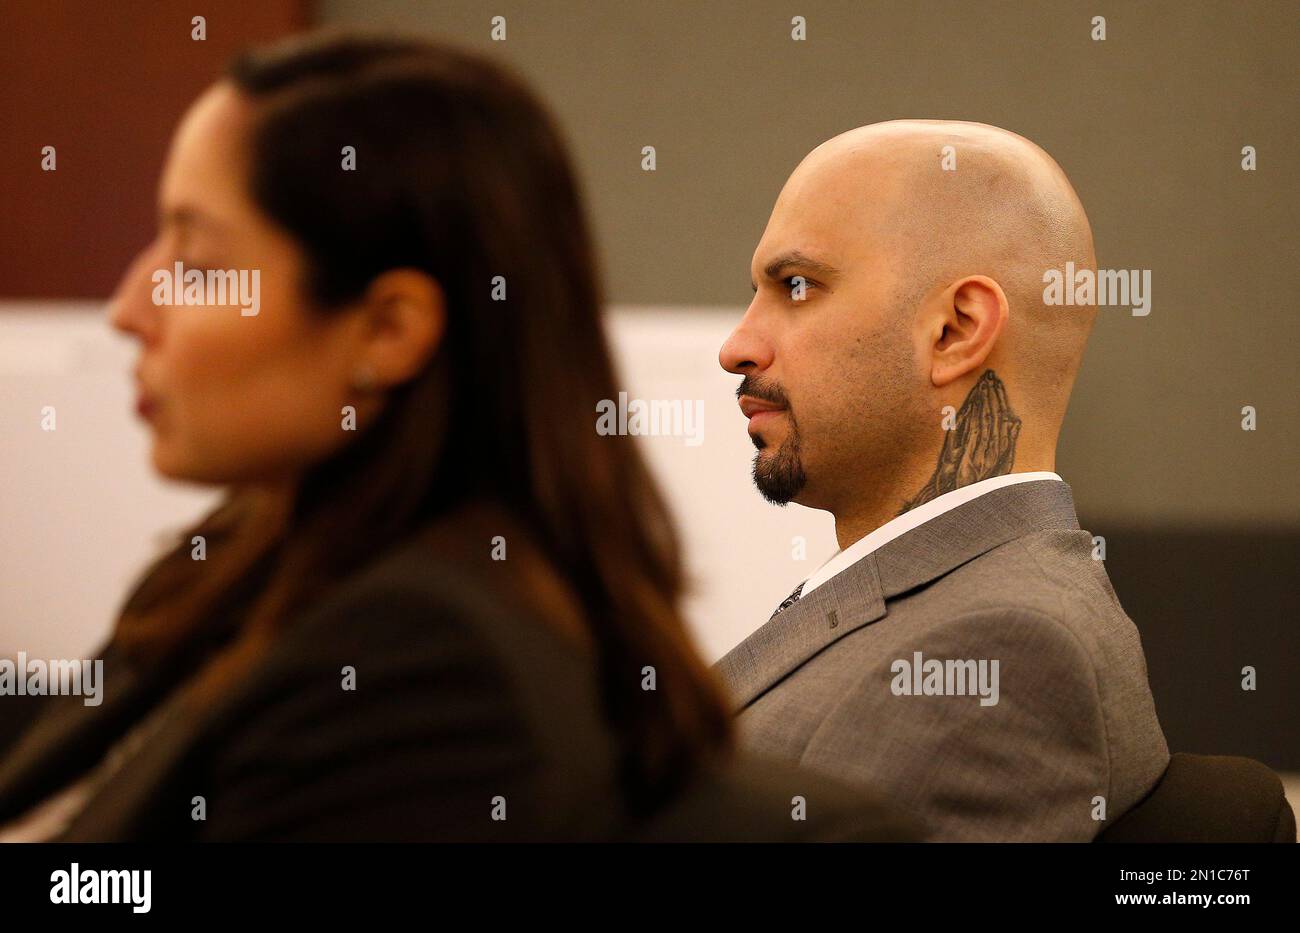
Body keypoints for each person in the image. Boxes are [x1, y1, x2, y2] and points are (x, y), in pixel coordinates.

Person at [0, 32, 912, 842]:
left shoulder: (419, 666)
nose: (129, 309)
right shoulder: (227, 565)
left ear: (389, 329)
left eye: (196, 265)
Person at [715, 119, 1169, 841]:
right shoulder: (937, 603)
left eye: (796, 286)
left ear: (956, 329)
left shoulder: (996, 654)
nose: (735, 346)